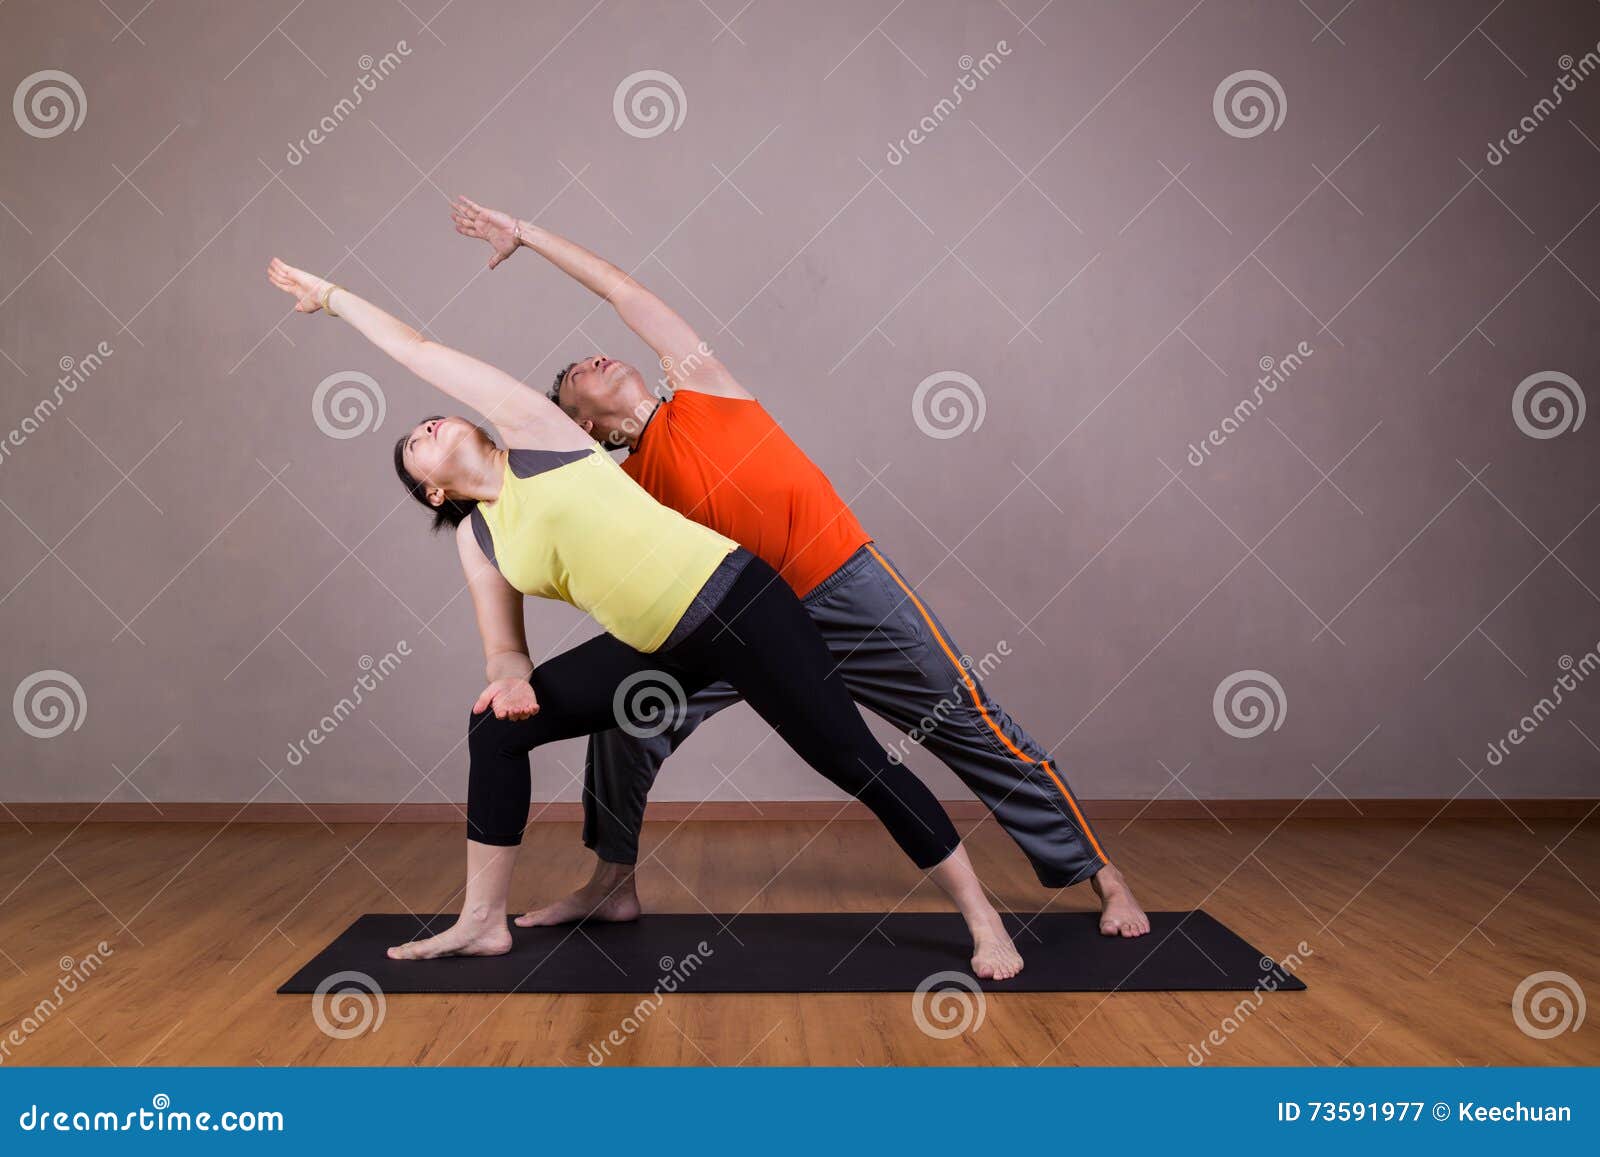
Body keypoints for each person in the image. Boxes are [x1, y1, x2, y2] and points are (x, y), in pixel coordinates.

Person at [265, 258, 1025, 978]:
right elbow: (503, 647)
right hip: (661, 647)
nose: (427, 426)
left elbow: (417, 348)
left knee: (854, 760)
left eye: (432, 420)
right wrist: (513, 680)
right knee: (496, 725)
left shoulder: (540, 432)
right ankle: (483, 917)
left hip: (742, 603)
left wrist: (331, 297)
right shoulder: (478, 535)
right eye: (413, 444)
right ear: (433, 493)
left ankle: (983, 918)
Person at [448, 197, 1151, 939]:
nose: (592, 358)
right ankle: (612, 883)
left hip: (843, 587)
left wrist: (526, 235)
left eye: (593, 355)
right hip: (727, 620)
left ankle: (1106, 877)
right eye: (575, 379)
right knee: (624, 723)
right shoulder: (611, 486)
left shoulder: (704, 389)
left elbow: (624, 292)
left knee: (972, 723)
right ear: (583, 427)